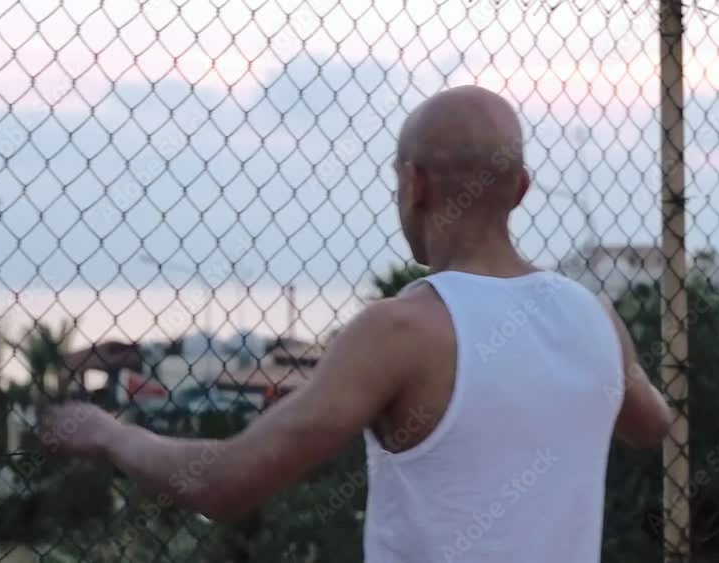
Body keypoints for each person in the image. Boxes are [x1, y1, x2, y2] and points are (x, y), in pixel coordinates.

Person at [42, 85, 673, 563]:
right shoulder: (594, 316)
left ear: (414, 183)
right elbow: (653, 424)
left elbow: (226, 484)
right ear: (522, 189)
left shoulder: (400, 332)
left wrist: (107, 434)